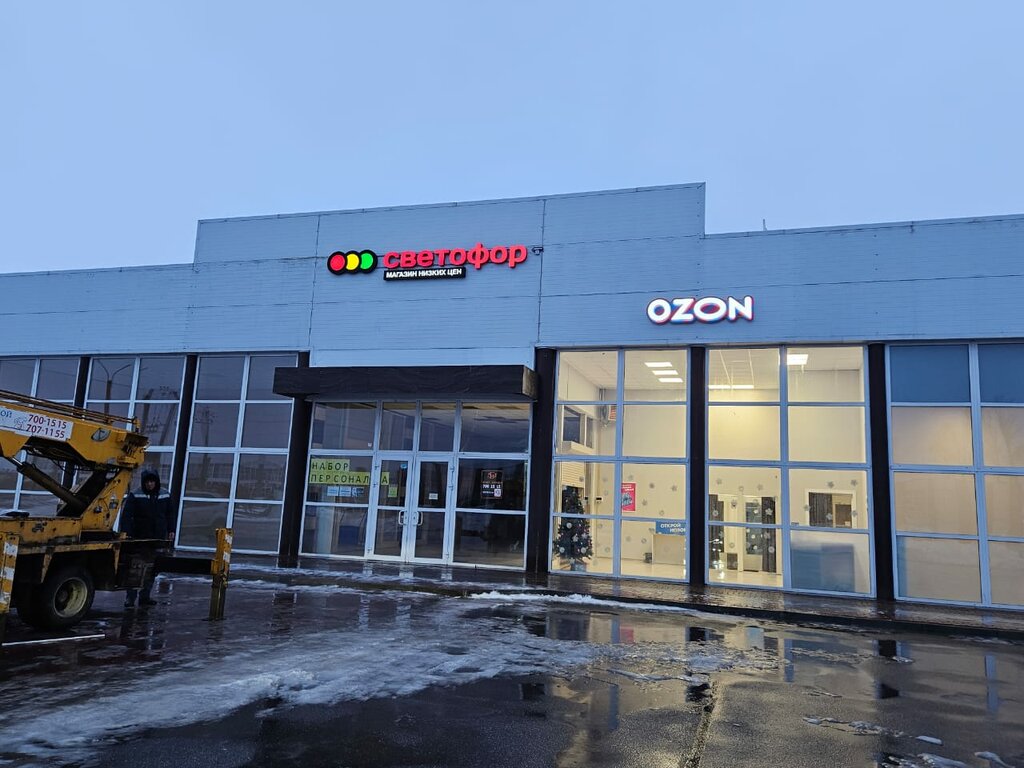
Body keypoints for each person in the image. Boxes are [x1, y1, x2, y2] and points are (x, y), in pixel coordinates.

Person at [120, 469, 175, 608]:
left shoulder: (165, 495)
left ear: (156, 482)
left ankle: (145, 596)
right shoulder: (135, 494)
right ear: (143, 482)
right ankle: (130, 598)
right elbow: (127, 515)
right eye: (147, 482)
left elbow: (170, 514)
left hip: (157, 538)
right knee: (134, 568)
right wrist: (126, 532)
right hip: (139, 538)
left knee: (152, 568)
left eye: (152, 481)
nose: (150, 484)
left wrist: (171, 530)